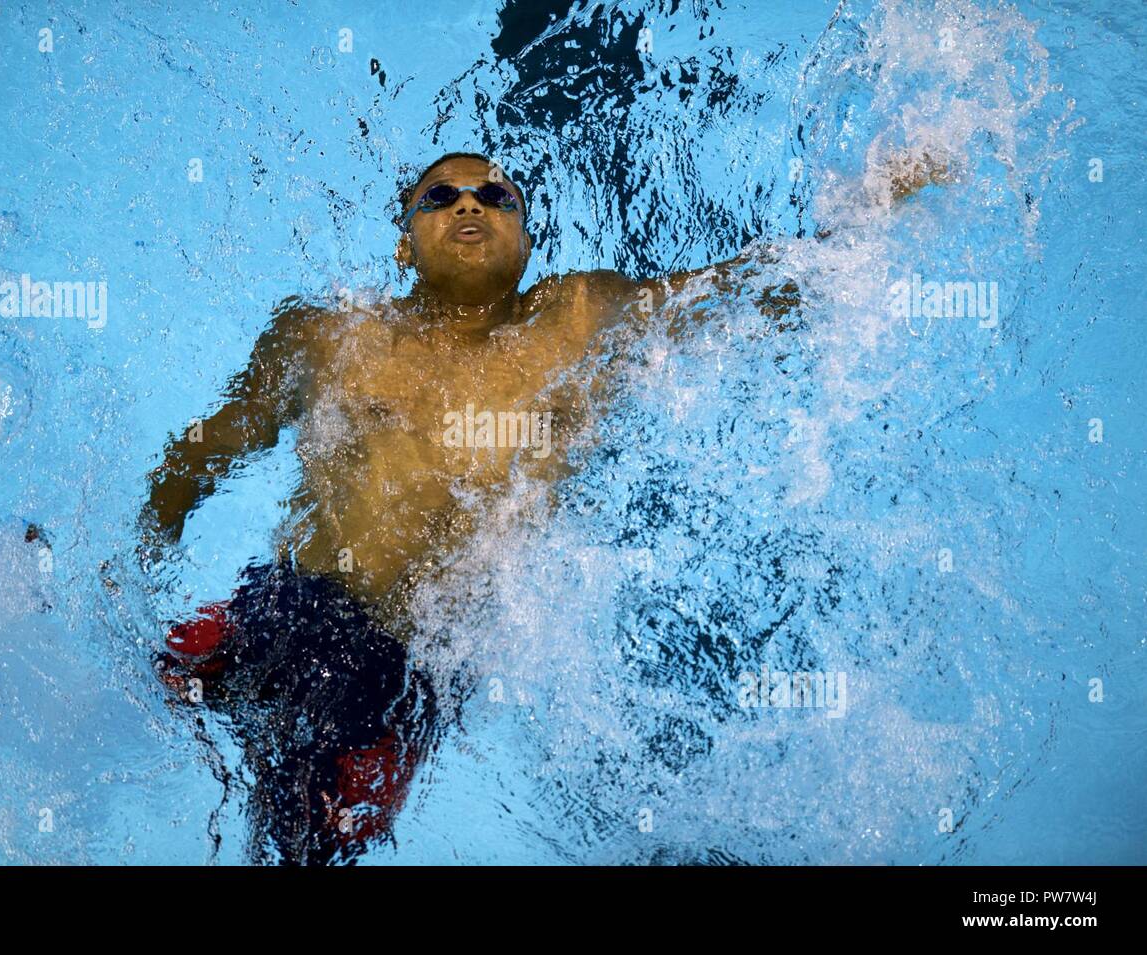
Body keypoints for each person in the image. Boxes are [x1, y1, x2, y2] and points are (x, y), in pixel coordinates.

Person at [140, 149, 947, 863]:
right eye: (441, 196)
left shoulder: (577, 321)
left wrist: (865, 221)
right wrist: (141, 552)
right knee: (150, 686)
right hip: (288, 606)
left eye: (497, 197)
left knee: (307, 828)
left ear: (527, 245)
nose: (469, 204)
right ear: (403, 241)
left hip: (412, 664)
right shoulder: (326, 337)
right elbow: (203, 451)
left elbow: (734, 297)